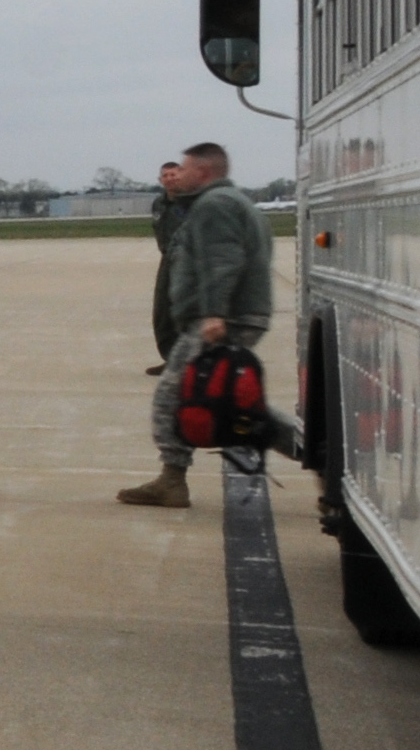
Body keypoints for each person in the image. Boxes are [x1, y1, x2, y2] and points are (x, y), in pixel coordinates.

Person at [123, 140, 301, 508]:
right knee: (237, 406)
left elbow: (223, 261)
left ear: (203, 172)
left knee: (171, 396)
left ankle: (172, 480)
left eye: (185, 169)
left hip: (224, 319)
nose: (178, 175)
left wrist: (214, 313)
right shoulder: (230, 202)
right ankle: (320, 453)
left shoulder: (215, 205)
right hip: (234, 316)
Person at [147, 157, 194, 369]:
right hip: (167, 260)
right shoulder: (159, 204)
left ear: (182, 176)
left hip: (189, 262)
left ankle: (191, 361)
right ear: (160, 180)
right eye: (165, 175)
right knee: (162, 312)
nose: (170, 178)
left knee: (186, 312)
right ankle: (171, 360)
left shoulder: (192, 202)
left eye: (173, 174)